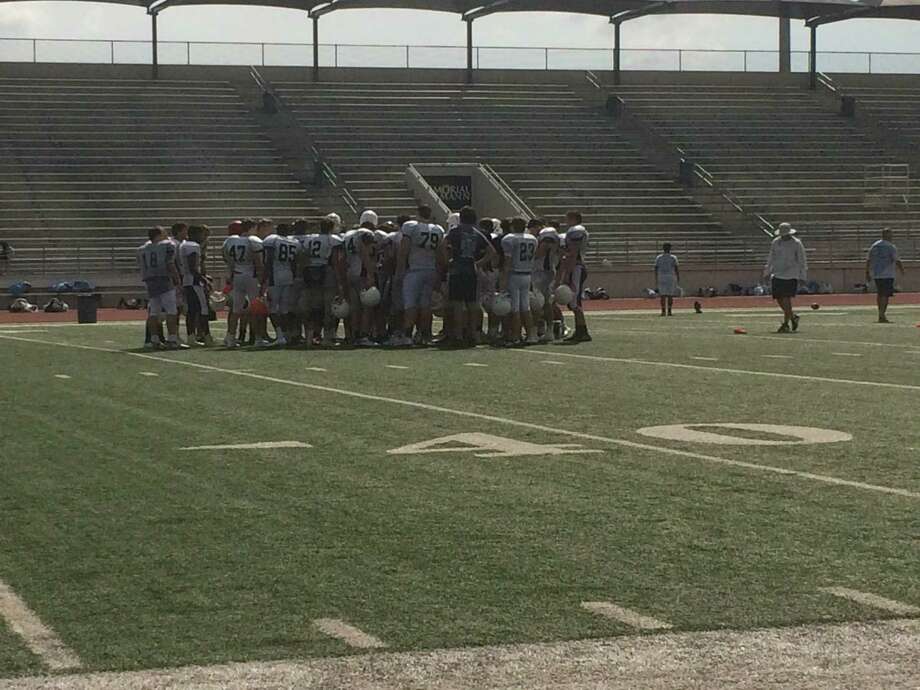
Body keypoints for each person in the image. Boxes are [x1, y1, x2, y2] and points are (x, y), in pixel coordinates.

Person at [438, 206, 496, 346]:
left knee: (457, 304)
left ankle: (458, 335)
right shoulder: (477, 232)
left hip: (458, 269)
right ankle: (473, 334)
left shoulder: (455, 231)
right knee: (472, 304)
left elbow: (442, 245)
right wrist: (478, 263)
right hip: (471, 269)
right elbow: (491, 252)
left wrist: (447, 261)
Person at [395, 205, 444, 346]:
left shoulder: (411, 226)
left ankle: (407, 335)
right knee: (425, 305)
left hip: (414, 271)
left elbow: (404, 250)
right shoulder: (438, 229)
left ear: (418, 214)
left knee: (410, 304)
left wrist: (399, 272)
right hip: (431, 269)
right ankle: (424, 335)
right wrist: (439, 274)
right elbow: (440, 255)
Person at [137, 227, 185, 350]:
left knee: (154, 311)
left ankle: (154, 339)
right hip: (164, 279)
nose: (166, 235)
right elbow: (170, 263)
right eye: (163, 233)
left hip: (150, 280)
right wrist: (177, 279)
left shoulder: (143, 249)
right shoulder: (167, 245)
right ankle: (172, 339)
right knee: (171, 311)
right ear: (158, 235)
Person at [222, 219, 266, 348]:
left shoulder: (230, 241)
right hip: (250, 276)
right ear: (252, 228)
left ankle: (230, 337)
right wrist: (261, 278)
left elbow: (227, 258)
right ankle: (258, 338)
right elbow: (259, 262)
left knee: (236, 309)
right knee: (255, 308)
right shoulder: (253, 240)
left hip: (237, 274)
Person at [500, 217, 542, 345]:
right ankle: (531, 335)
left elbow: (507, 261)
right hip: (527, 274)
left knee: (515, 308)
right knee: (525, 306)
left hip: (515, 274)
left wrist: (503, 279)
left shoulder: (509, 239)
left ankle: (516, 336)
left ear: (512, 226)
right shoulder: (532, 239)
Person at [262, 221, 301, 346]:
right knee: (284, 309)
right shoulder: (294, 242)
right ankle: (286, 334)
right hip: (288, 274)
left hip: (276, 275)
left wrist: (264, 278)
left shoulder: (272, 240)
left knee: (273, 308)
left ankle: (280, 335)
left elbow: (269, 260)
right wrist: (293, 276)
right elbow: (294, 263)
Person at [764, 222, 807, 333]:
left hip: (791, 274)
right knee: (778, 298)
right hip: (777, 273)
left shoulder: (797, 243)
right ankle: (793, 316)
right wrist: (767, 272)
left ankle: (786, 323)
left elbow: (802, 260)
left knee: (786, 298)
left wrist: (803, 276)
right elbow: (771, 258)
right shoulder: (775, 242)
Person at [556, 211, 591, 342]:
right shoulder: (577, 231)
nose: (566, 220)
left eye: (568, 218)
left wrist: (567, 274)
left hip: (576, 268)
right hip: (576, 267)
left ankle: (583, 331)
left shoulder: (576, 230)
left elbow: (573, 253)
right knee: (574, 303)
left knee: (574, 302)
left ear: (573, 219)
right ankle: (580, 330)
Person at [180, 225, 213, 346]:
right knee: (203, 309)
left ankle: (191, 337)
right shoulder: (193, 246)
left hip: (188, 280)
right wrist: (204, 280)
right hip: (194, 282)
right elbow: (193, 267)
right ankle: (207, 336)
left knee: (192, 311)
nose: (204, 238)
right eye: (203, 235)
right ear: (195, 234)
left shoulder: (184, 245)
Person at [866, 228, 905, 324]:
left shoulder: (874, 245)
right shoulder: (890, 247)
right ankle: (882, 314)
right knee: (885, 295)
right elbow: (896, 260)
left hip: (877, 273)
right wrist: (902, 270)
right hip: (887, 273)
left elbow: (868, 259)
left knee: (880, 294)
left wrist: (867, 272)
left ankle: (881, 313)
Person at [654, 243, 680, 317]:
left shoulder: (658, 257)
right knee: (670, 295)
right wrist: (678, 277)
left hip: (661, 277)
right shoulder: (673, 257)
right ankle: (669, 311)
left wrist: (656, 277)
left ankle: (663, 311)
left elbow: (655, 268)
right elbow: (676, 268)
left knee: (662, 295)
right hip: (670, 277)